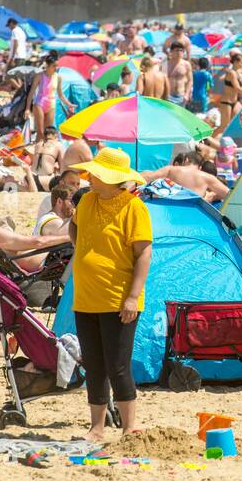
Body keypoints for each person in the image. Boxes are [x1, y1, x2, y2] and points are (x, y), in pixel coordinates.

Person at [69, 148, 153, 442]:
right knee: (94, 363)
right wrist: (84, 253)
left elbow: (143, 254)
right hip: (86, 297)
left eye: (94, 174)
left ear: (109, 177)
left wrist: (132, 296)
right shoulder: (88, 200)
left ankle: (130, 428)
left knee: (118, 365)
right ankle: (97, 428)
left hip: (119, 299)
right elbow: (74, 226)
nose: (88, 177)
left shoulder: (134, 208)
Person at [27, 53, 74, 156]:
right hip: (39, 103)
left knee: (48, 133)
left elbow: (61, 95)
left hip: (51, 104)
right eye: (54, 66)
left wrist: (69, 104)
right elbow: (31, 92)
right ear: (48, 65)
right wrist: (27, 108)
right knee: (40, 131)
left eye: (57, 66)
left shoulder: (58, 77)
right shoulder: (39, 76)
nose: (56, 68)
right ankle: (38, 153)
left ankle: (45, 154)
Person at [141, 151, 231, 202]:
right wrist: (212, 196)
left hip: (170, 210)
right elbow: (228, 195)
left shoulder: (171, 170)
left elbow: (148, 177)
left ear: (186, 159)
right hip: (193, 213)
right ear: (200, 167)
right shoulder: (207, 177)